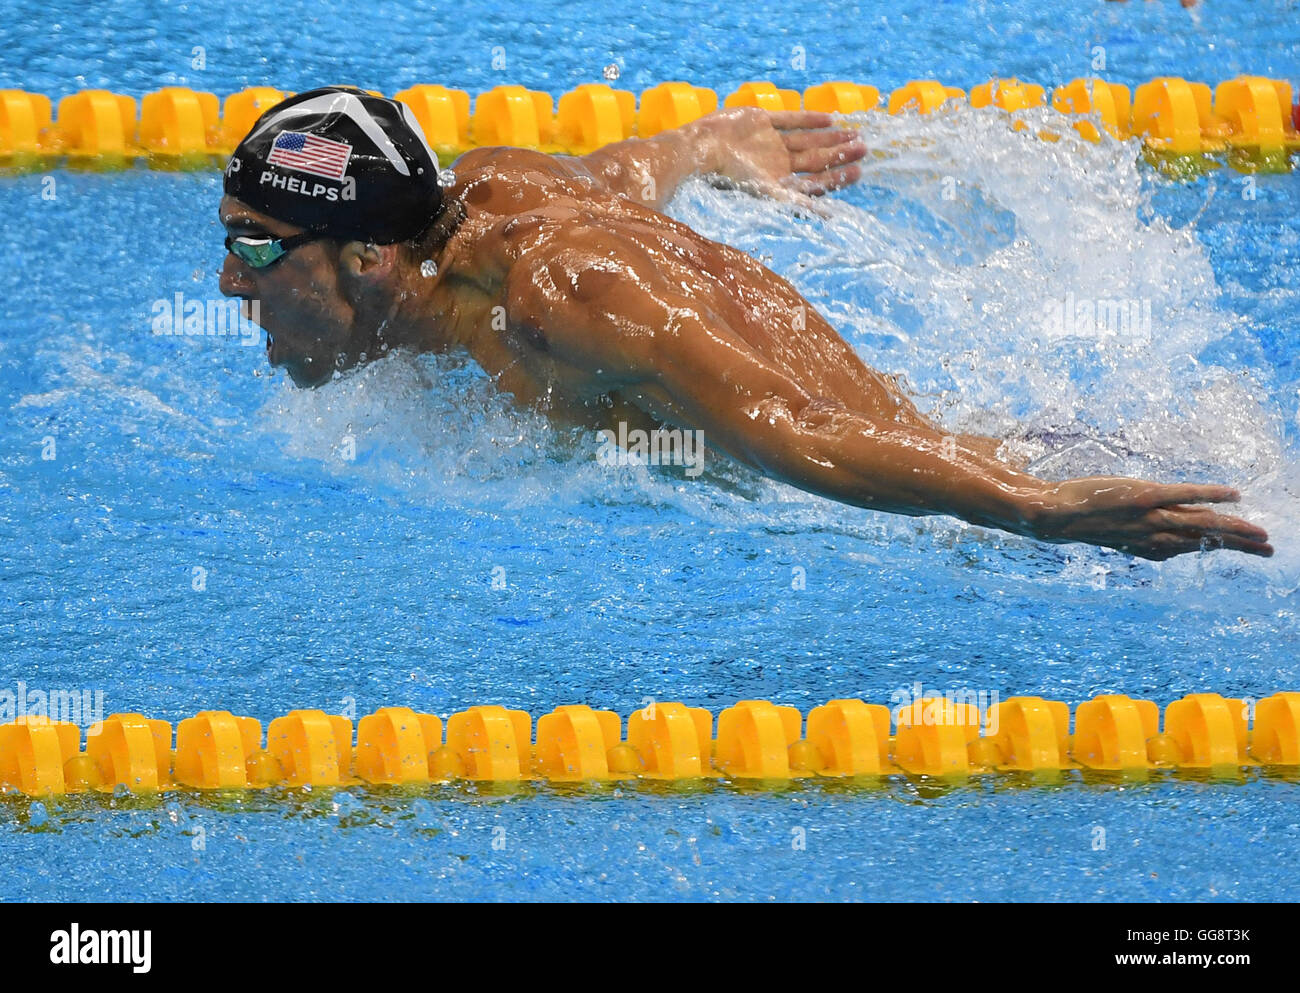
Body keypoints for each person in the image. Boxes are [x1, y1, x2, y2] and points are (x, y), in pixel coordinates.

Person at [218, 87, 1270, 561]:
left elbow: (790, 424)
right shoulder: (476, 195)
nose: (230, 282)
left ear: (369, 256)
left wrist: (1035, 507)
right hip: (973, 470)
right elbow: (613, 172)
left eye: (259, 245)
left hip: (949, 505)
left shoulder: (560, 295)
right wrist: (710, 142)